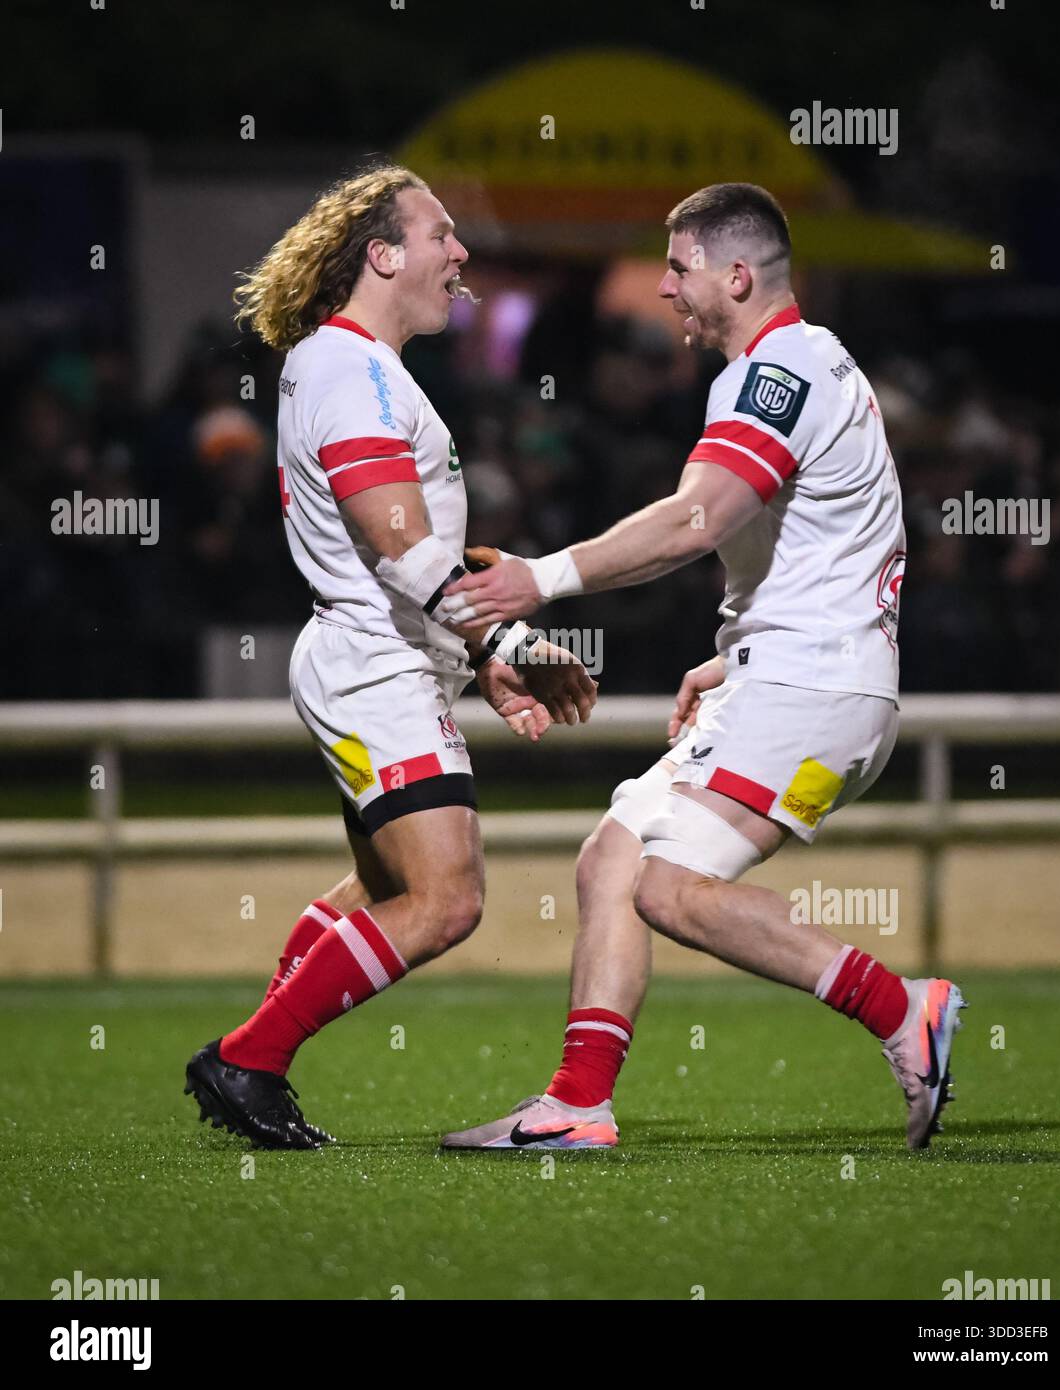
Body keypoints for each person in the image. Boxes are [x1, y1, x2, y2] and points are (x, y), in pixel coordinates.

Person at [440, 182, 965, 1153]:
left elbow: (696, 520)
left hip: (814, 686)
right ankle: (577, 1104)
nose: (666, 288)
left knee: (670, 888)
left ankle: (905, 1009)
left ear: (737, 273)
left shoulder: (782, 369)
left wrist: (537, 577)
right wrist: (733, 658)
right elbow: (833, 543)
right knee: (614, 859)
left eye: (678, 268)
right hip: (795, 671)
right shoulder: (803, 365)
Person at [184, 163, 596, 1149]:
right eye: (443, 234)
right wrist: (510, 635)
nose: (462, 255)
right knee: (447, 899)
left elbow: (401, 555)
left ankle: (258, 1066)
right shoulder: (353, 367)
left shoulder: (355, 365)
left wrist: (476, 659)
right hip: (374, 666)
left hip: (382, 658)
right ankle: (249, 1058)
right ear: (384, 253)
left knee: (384, 890)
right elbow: (401, 546)